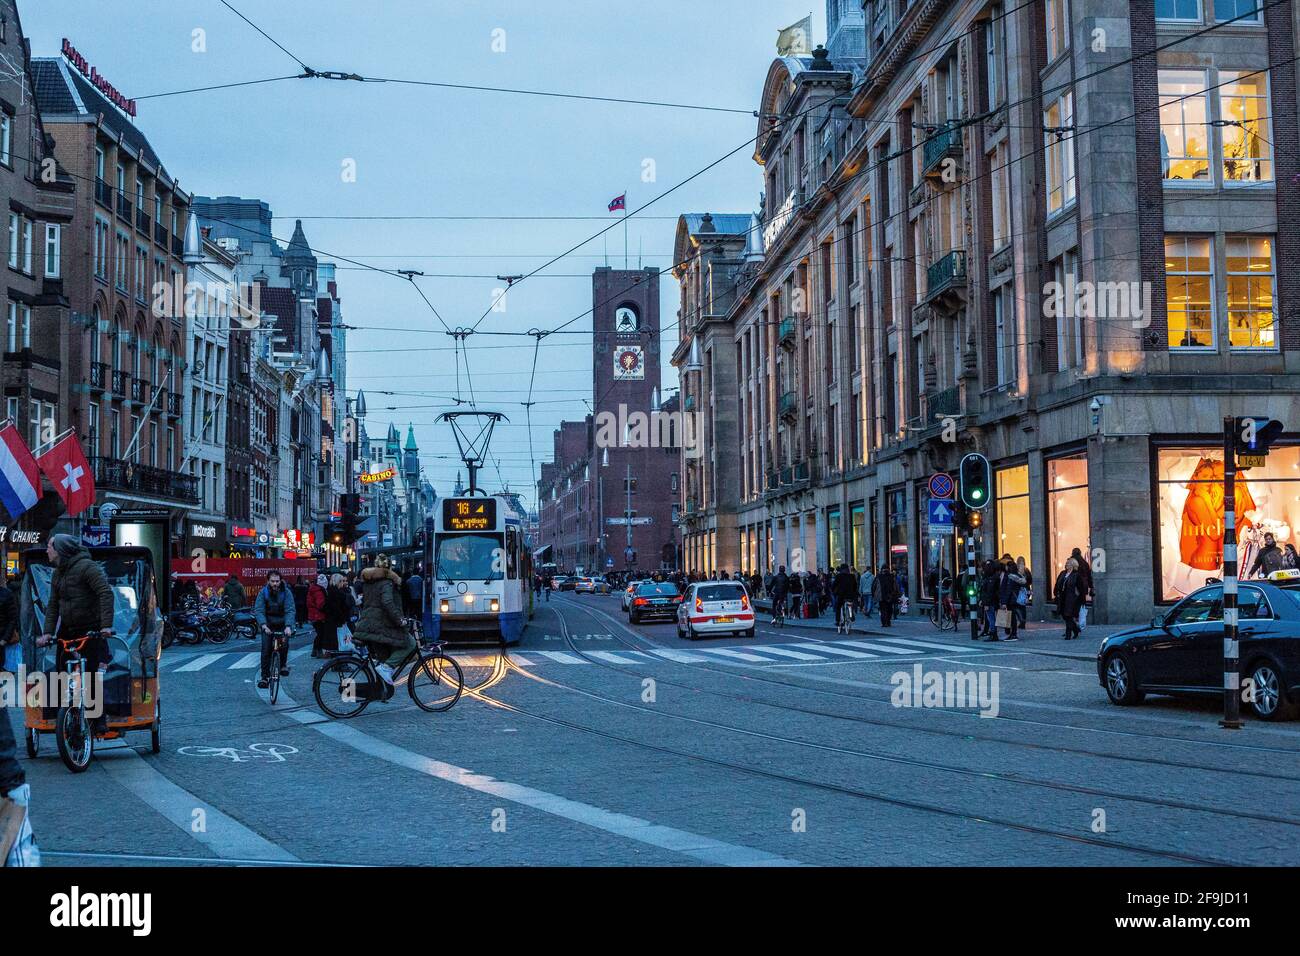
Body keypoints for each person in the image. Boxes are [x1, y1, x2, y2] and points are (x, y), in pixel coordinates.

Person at [37, 535, 114, 733]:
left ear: (60, 550)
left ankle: (98, 719)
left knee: (90, 675)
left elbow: (105, 592)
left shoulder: (88, 567)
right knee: (61, 672)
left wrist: (105, 626)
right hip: (68, 629)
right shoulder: (57, 574)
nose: (47, 551)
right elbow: (53, 605)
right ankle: (65, 712)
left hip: (90, 628)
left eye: (49, 547)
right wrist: (47, 633)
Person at [354, 554, 414, 689]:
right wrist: (400, 620)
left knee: (383, 658)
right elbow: (387, 603)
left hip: (368, 624)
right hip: (381, 625)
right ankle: (387, 668)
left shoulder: (368, 582)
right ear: (389, 568)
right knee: (410, 643)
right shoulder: (387, 582)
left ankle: (381, 690)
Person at [254, 571, 296, 689]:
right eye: (272, 581)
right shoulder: (263, 593)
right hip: (268, 624)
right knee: (266, 649)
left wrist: (288, 626)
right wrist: (263, 625)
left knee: (285, 643)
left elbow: (290, 610)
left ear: (280, 581)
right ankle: (264, 677)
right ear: (268, 581)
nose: (275, 584)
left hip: (283, 623)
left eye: (277, 581)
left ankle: (283, 665)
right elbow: (259, 610)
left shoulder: (286, 592)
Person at [1054, 557, 1088, 640]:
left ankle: (1068, 634)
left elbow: (1081, 589)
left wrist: (1082, 601)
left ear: (1073, 565)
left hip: (1072, 599)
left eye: (1068, 563)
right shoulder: (1063, 573)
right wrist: (1055, 592)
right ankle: (1076, 629)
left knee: (1068, 615)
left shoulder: (1076, 575)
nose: (1066, 565)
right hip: (1062, 598)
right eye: (1066, 563)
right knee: (1064, 615)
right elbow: (1057, 583)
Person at [995, 556, 1026, 641]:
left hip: (1011, 600)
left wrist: (1004, 602)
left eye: (1007, 566)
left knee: (1012, 618)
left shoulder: (1009, 577)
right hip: (1015, 599)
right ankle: (1013, 632)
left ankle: (1013, 634)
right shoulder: (1017, 575)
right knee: (1013, 617)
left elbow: (1008, 590)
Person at [322, 574, 351, 654]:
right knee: (339, 642)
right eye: (341, 581)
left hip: (331, 621)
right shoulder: (338, 593)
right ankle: (339, 663)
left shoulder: (330, 592)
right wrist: (343, 619)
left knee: (335, 643)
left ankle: (337, 663)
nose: (343, 583)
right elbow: (338, 609)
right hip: (337, 622)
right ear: (338, 582)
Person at [307, 574, 329, 658]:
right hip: (318, 616)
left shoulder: (313, 589)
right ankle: (318, 651)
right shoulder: (319, 591)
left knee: (320, 633)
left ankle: (315, 650)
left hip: (314, 616)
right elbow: (321, 604)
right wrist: (327, 609)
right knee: (321, 634)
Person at [832, 563, 858, 633]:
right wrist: (855, 593)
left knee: (838, 607)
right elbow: (855, 585)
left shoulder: (839, 576)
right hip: (850, 595)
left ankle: (837, 621)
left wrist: (833, 591)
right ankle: (851, 615)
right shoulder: (852, 576)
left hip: (841, 595)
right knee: (850, 604)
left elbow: (834, 585)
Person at [1014, 556, 1032, 629]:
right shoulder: (1026, 570)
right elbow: (1030, 580)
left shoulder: (1016, 571)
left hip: (1019, 591)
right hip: (1025, 590)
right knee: (1023, 607)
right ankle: (1023, 621)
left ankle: (1021, 621)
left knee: (1017, 606)